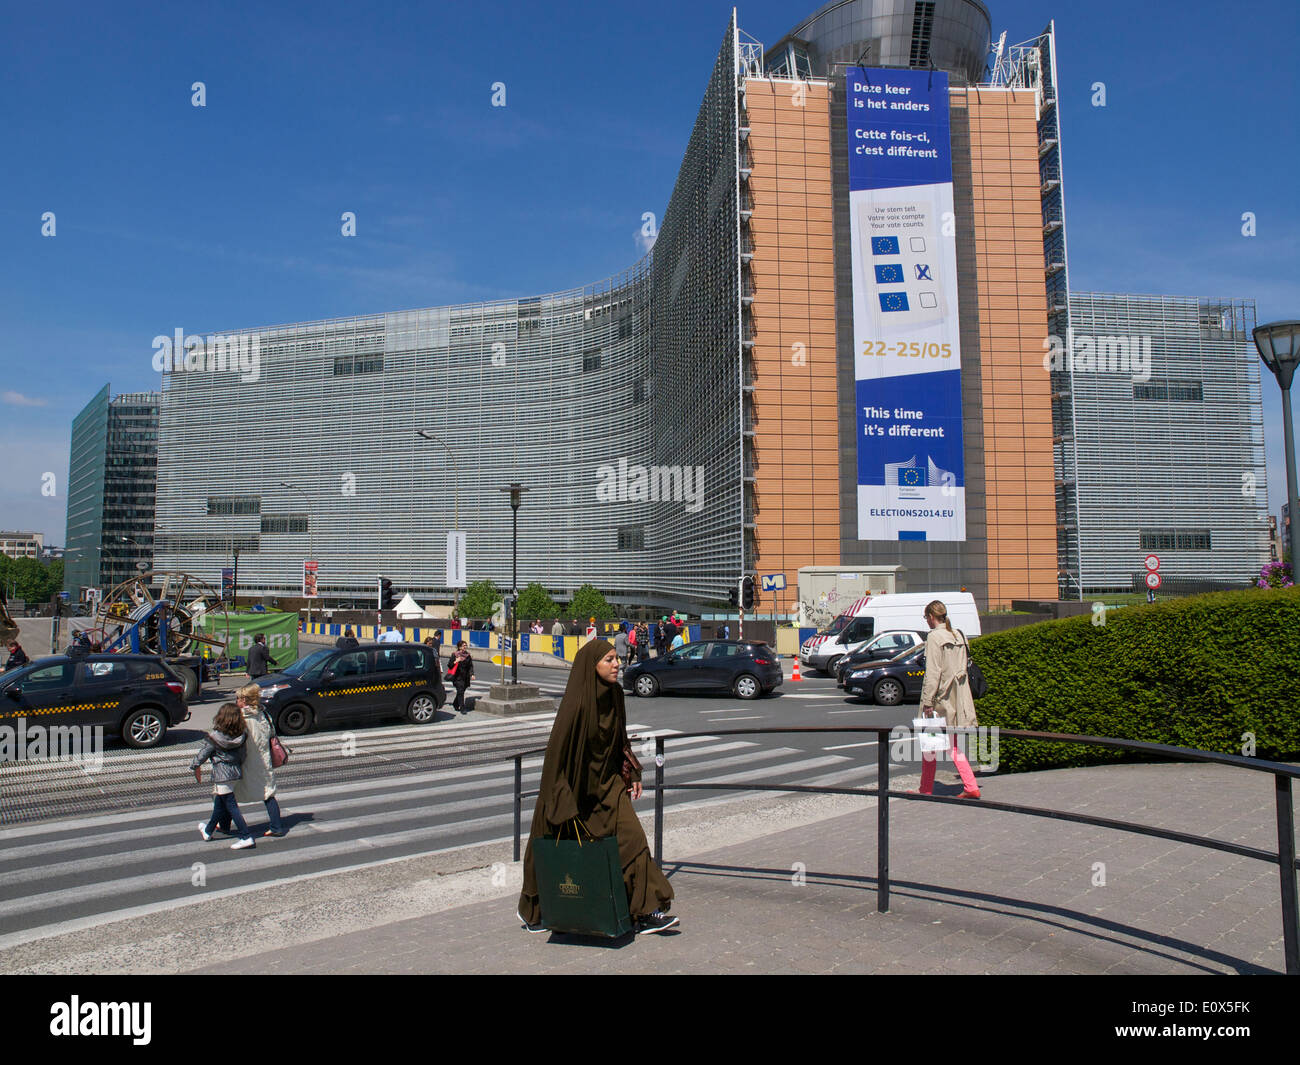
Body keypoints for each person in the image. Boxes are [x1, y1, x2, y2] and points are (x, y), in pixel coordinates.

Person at [517, 639, 677, 935]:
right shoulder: (577, 703)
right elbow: (557, 756)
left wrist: (633, 774)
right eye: (609, 660)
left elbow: (620, 739)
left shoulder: (615, 695)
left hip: (608, 785)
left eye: (617, 658)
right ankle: (537, 911)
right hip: (574, 789)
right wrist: (561, 799)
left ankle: (646, 910)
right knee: (553, 845)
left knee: (633, 839)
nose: (617, 664)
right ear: (592, 666)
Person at [916, 599, 981, 800]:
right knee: (940, 745)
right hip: (958, 696)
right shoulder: (958, 634)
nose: (926, 621)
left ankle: (966, 786)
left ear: (931, 617)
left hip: (940, 699)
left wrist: (927, 701)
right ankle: (928, 787)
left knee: (938, 745)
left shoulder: (934, 637)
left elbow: (933, 672)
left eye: (926, 617)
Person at [218, 684, 286, 838]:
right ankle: (276, 826)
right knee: (268, 793)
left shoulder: (239, 717)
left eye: (238, 698)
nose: (236, 701)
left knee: (229, 793)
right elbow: (271, 734)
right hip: (263, 761)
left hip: (243, 762)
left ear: (244, 700)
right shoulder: (263, 714)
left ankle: (224, 825)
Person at [190, 703, 256, 850]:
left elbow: (203, 754)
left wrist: (194, 766)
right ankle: (208, 830)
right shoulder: (242, 735)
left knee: (231, 806)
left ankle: (246, 836)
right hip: (235, 773)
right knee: (220, 803)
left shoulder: (214, 738)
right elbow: (243, 755)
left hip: (222, 774)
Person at [447, 641, 474, 713]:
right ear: (459, 647)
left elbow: (470, 666)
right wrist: (456, 661)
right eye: (463, 646)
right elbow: (449, 665)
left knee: (461, 691)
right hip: (457, 676)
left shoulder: (468, 655)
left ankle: (455, 704)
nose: (465, 647)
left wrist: (472, 674)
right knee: (461, 691)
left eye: (465, 645)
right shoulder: (455, 655)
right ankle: (462, 708)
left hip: (465, 677)